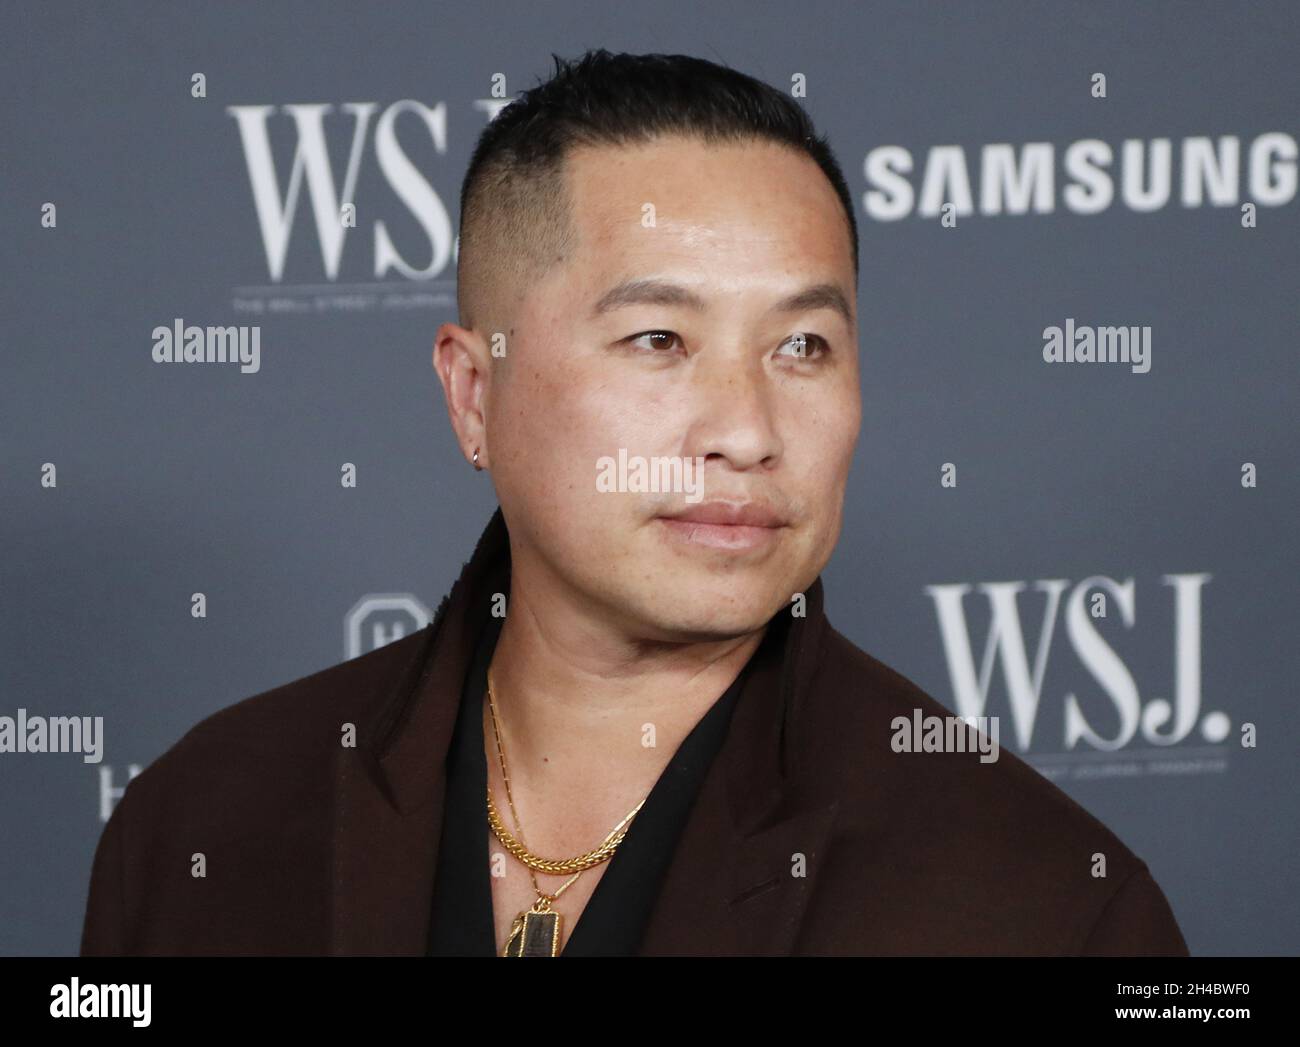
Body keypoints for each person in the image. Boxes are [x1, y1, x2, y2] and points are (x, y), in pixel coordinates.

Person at [81, 49, 1188, 957]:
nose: (746, 431)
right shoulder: (207, 823)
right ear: (476, 395)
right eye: (658, 340)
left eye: (803, 346)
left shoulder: (1044, 905)